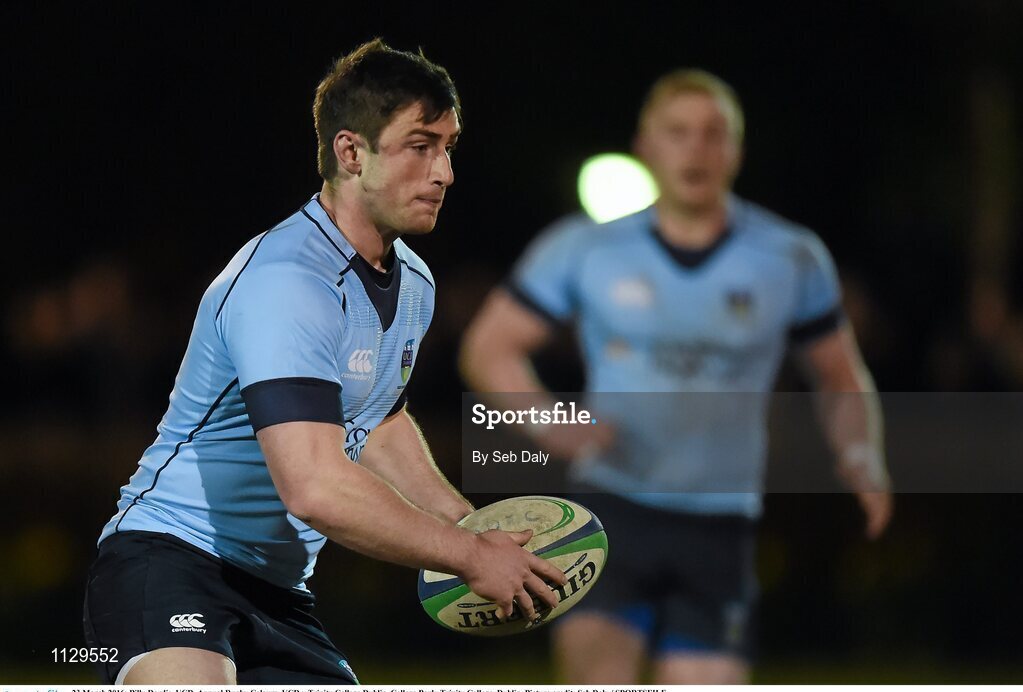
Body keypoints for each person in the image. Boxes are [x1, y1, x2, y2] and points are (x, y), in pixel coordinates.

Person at [83, 39, 566, 685]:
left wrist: (467, 525)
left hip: (279, 591)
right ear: (350, 152)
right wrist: (465, 555)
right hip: (168, 558)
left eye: (448, 147)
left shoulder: (414, 281)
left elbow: (378, 423)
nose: (444, 172)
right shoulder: (288, 280)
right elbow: (313, 486)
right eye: (420, 146)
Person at [460, 69, 893, 684]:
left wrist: (860, 454)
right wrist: (555, 424)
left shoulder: (790, 257)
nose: (697, 149)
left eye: (715, 135)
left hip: (722, 522)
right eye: (679, 132)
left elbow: (840, 375)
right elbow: (489, 347)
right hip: (609, 512)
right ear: (646, 146)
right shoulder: (585, 248)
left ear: (737, 151)